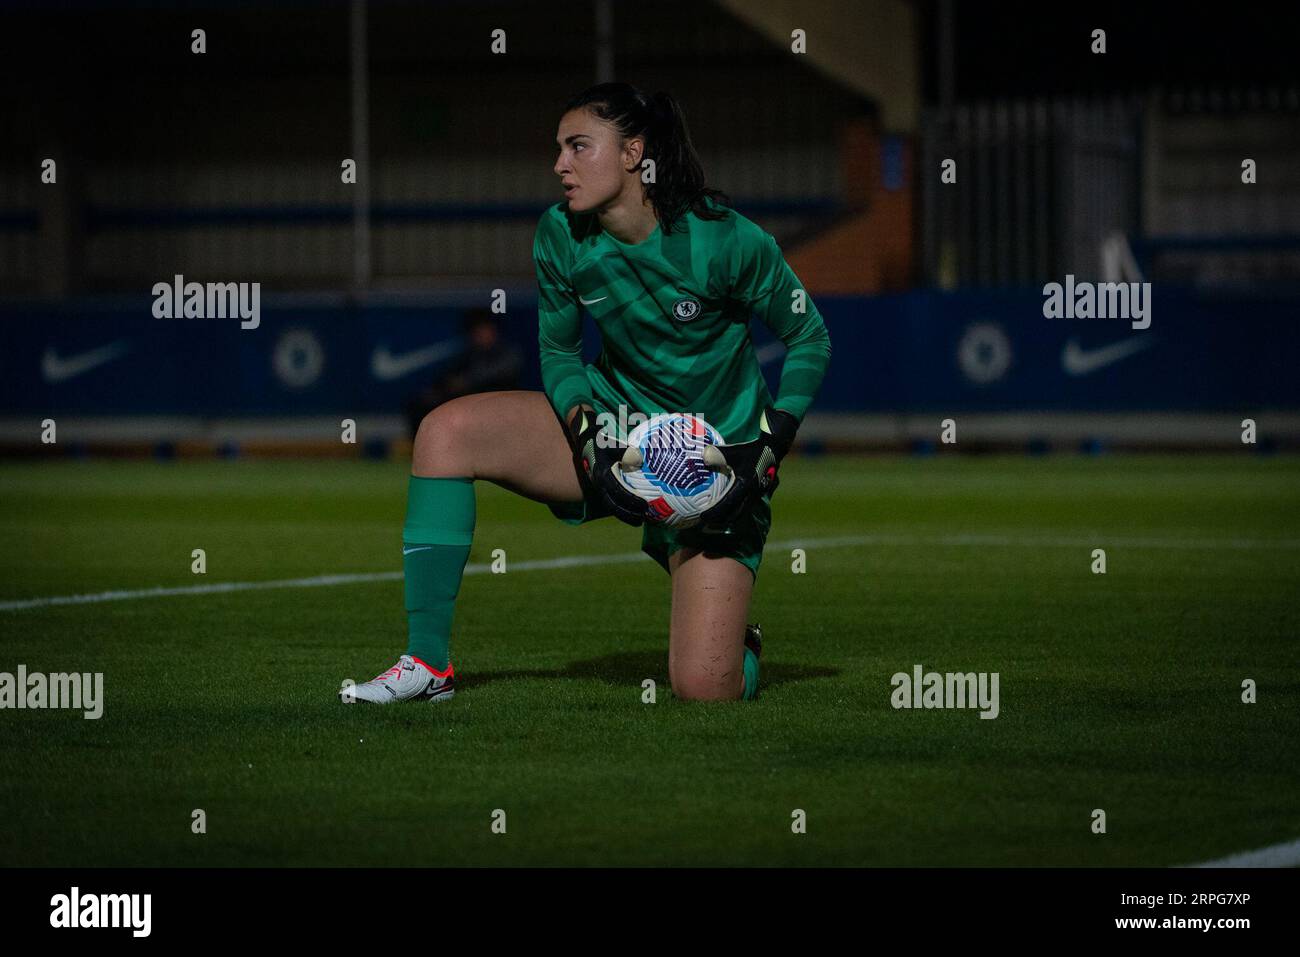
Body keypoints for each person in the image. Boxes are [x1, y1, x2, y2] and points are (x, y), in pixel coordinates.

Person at [341, 82, 831, 705]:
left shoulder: (727, 240)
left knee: (707, 686)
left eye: (577, 146)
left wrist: (769, 444)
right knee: (445, 433)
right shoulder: (560, 235)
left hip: (714, 466)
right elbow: (560, 353)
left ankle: (740, 645)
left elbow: (809, 337)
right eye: (558, 148)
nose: (559, 165)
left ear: (633, 154)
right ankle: (427, 665)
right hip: (617, 425)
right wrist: (584, 425)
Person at [403, 309, 523, 440]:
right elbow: (448, 377)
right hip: (466, 402)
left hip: (496, 403)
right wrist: (439, 389)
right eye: (477, 332)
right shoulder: (469, 355)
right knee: (420, 405)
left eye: (486, 330)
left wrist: (467, 381)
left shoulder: (507, 353)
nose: (482, 335)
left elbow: (497, 375)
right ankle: (425, 449)